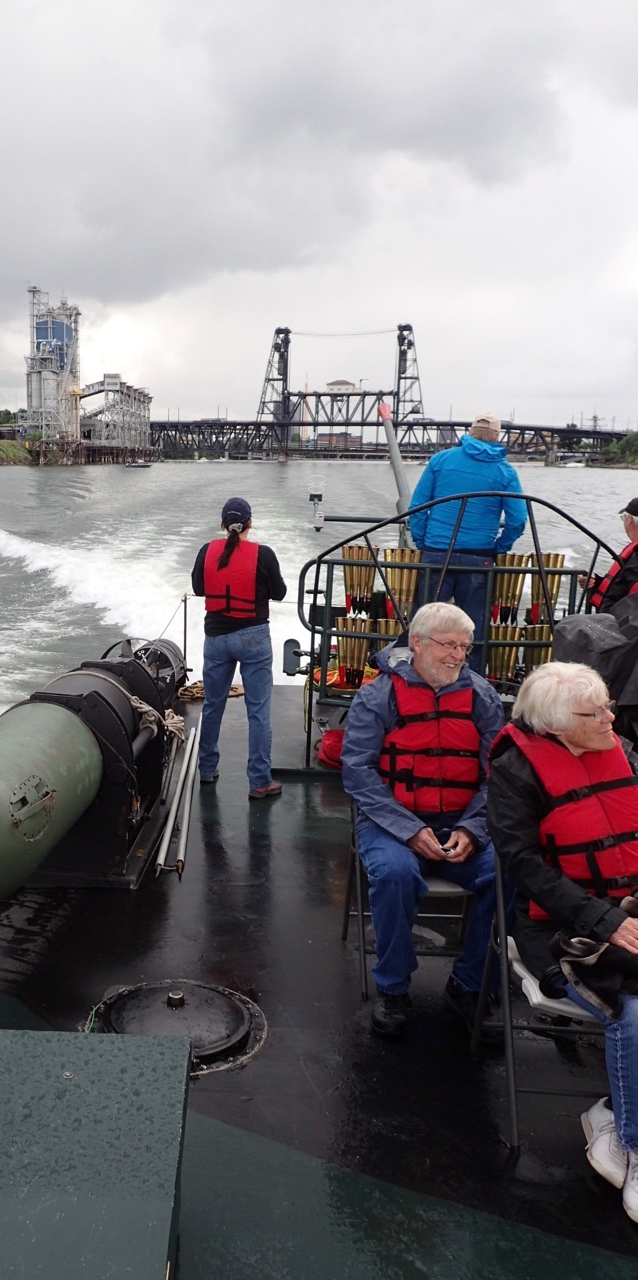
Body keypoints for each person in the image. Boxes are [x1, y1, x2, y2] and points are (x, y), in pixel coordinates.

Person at [487, 662, 638, 1223]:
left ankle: (612, 1119)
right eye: (593, 713)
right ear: (554, 727)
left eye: (607, 707)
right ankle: (634, 1143)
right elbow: (522, 864)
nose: (609, 718)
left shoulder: (618, 748)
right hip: (559, 926)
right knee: (631, 1004)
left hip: (628, 903)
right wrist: (603, 920)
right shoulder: (515, 772)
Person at [341, 601, 503, 1039]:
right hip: (391, 822)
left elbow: (501, 775)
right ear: (417, 643)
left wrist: (474, 827)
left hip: (463, 823)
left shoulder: (482, 696)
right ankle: (393, 988)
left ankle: (469, 983)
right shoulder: (379, 695)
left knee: (509, 875)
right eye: (448, 645)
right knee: (395, 874)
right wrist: (409, 830)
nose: (457, 656)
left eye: (464, 648)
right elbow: (357, 770)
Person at [409, 413, 526, 668]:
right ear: (497, 437)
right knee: (473, 627)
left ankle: (419, 676)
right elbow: (517, 519)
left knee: (425, 621)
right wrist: (499, 548)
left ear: (469, 433)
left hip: (436, 554)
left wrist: (422, 541)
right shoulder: (505, 471)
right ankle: (470, 683)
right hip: (478, 558)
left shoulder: (441, 460)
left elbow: (417, 507)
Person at [191, 497, 286, 800]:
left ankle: (207, 770)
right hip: (253, 638)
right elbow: (280, 593)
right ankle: (259, 782)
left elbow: (198, 588)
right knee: (258, 711)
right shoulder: (264, 554)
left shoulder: (207, 551)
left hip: (216, 639)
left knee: (213, 705)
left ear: (222, 524)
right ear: (250, 523)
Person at [585, 499, 638, 613]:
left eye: (624, 517)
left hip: (618, 626)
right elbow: (622, 587)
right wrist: (597, 583)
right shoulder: (633, 555)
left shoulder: (635, 559)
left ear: (629, 520)